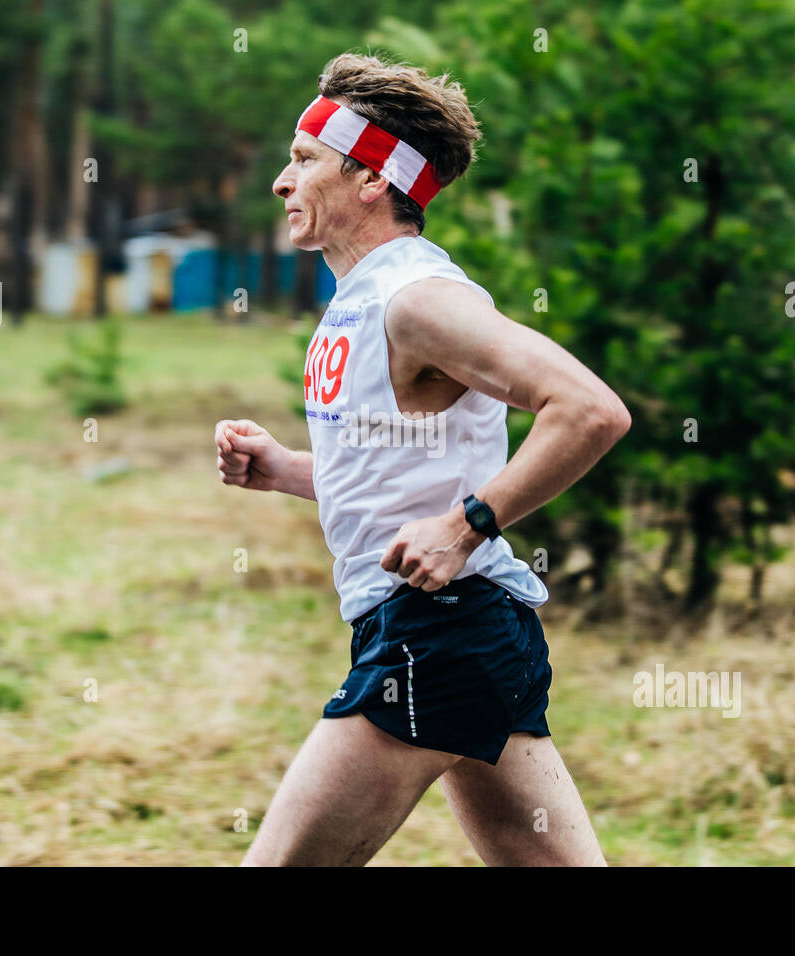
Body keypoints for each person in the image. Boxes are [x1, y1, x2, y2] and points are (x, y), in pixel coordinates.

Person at [214, 52, 630, 866]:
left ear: (371, 179)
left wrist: (467, 526)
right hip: (464, 633)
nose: (280, 180)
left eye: (304, 161)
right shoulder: (360, 301)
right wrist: (285, 470)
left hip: (436, 635)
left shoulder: (419, 300)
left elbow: (588, 410)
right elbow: (397, 469)